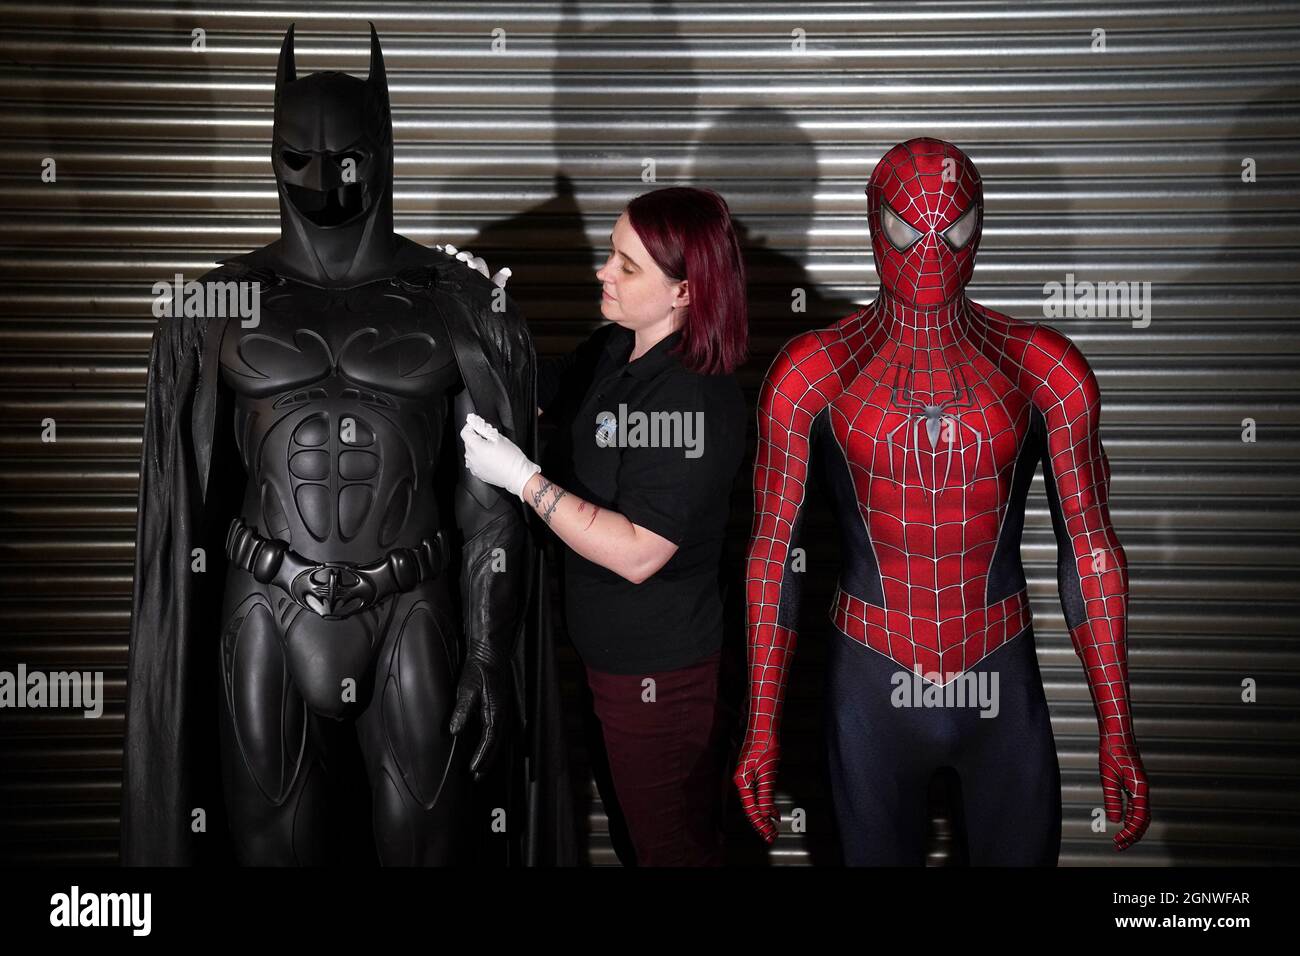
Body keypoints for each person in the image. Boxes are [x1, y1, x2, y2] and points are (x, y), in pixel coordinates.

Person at [460, 186, 749, 865]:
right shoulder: (615, 349)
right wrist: (481, 311)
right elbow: (528, 388)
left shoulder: (696, 401)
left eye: (626, 265)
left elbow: (639, 553)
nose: (602, 272)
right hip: (603, 663)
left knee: (669, 850)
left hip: (661, 681)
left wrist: (526, 481)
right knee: (631, 837)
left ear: (684, 292)